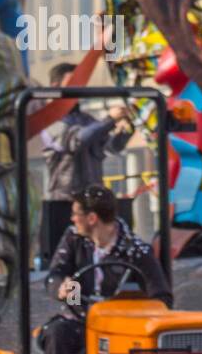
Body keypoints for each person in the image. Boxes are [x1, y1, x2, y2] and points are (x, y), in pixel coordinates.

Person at [40, 183, 173, 354]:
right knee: (56, 334)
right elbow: (56, 273)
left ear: (91, 218)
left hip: (119, 331)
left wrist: (132, 310)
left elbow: (162, 297)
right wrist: (63, 287)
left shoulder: (136, 251)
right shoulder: (74, 239)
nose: (72, 219)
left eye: (76, 214)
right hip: (80, 321)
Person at [40, 62, 133, 262]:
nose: (79, 86)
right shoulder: (50, 120)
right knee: (68, 259)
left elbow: (108, 148)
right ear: (56, 86)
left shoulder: (87, 119)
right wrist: (109, 119)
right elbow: (77, 141)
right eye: (73, 81)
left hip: (93, 200)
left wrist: (125, 131)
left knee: (97, 256)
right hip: (66, 201)